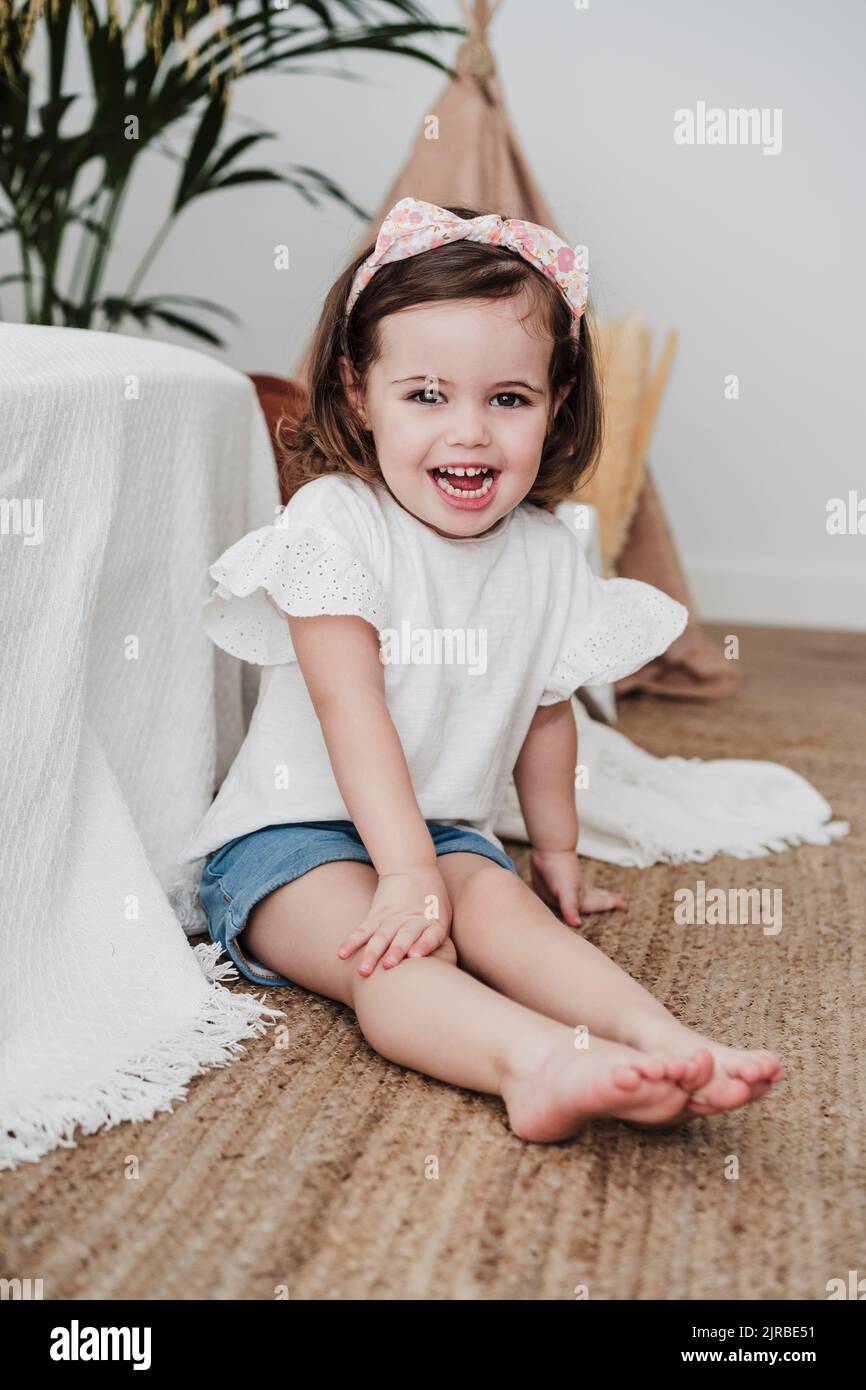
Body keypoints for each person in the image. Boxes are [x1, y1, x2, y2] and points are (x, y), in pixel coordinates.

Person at [180, 197, 784, 1142]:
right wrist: (405, 871)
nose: (469, 432)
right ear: (356, 392)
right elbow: (350, 706)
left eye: (508, 399)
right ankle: (535, 1064)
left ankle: (660, 1038)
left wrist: (554, 851)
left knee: (510, 919)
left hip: (445, 833)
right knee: (398, 962)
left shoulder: (545, 552)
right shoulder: (338, 523)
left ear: (557, 404)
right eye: (426, 395)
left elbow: (548, 713)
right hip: (289, 843)